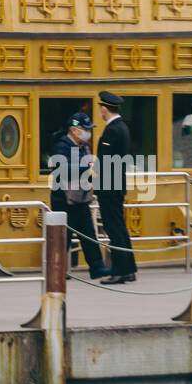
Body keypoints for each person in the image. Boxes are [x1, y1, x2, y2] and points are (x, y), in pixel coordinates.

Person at [48, 112, 108, 280]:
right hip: (64, 199)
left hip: (80, 197)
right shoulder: (62, 146)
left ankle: (97, 266)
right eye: (85, 129)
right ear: (74, 130)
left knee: (88, 234)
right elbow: (61, 170)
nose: (88, 133)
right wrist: (87, 170)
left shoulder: (83, 147)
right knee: (62, 237)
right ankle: (57, 270)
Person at [94, 91, 137, 285]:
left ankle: (119, 271)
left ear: (104, 109)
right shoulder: (124, 127)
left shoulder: (112, 130)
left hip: (109, 187)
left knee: (114, 228)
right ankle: (129, 269)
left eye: (101, 109)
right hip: (116, 185)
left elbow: (105, 160)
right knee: (120, 227)